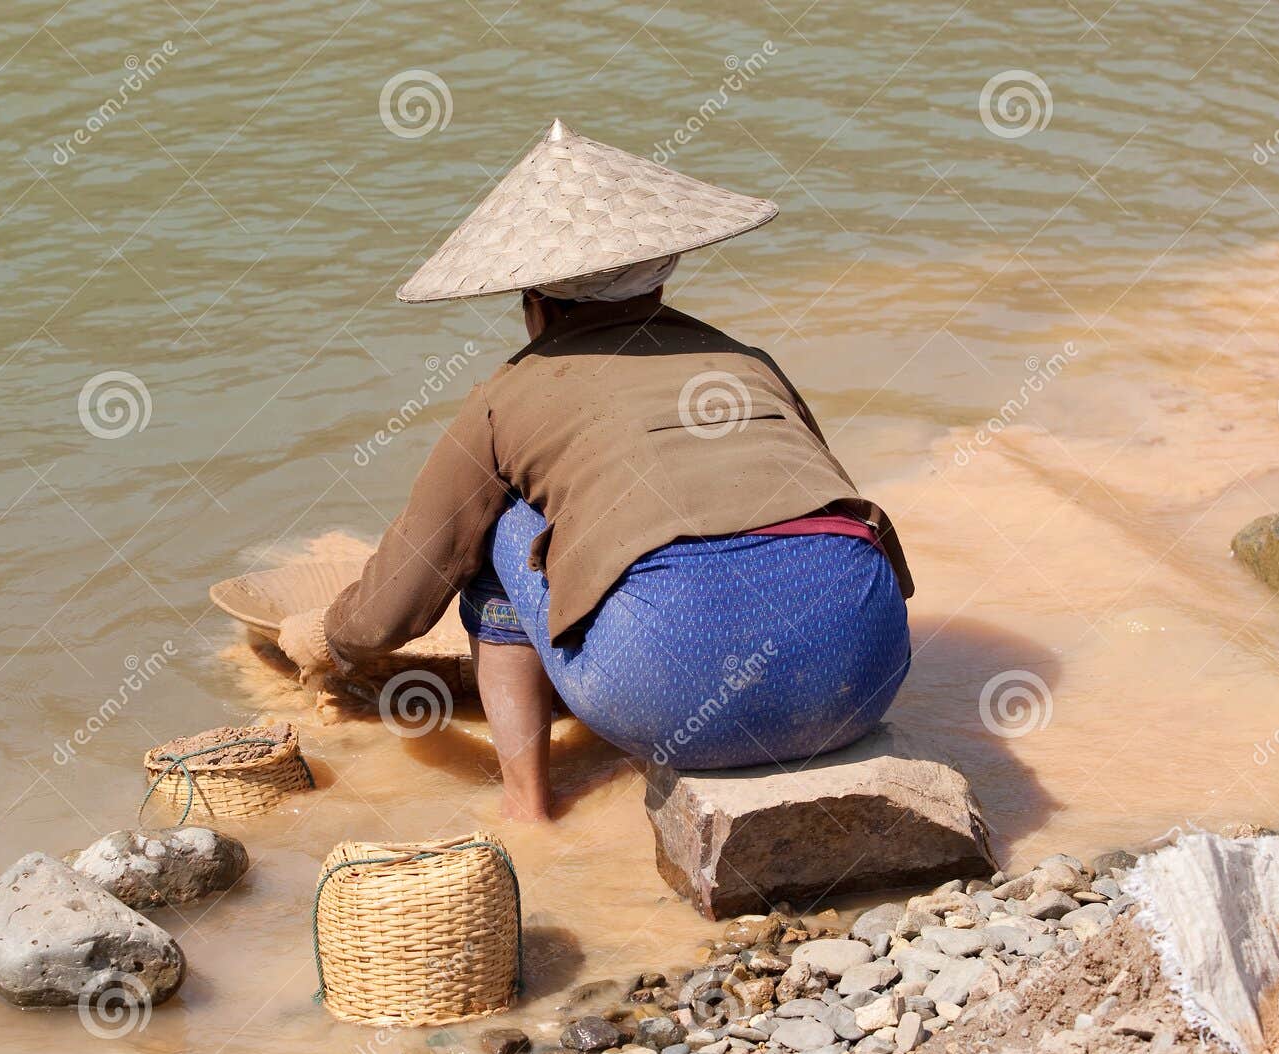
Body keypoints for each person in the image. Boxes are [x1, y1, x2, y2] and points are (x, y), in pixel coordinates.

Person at [280, 120, 913, 821]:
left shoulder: (505, 397)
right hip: (863, 675)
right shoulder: (747, 364)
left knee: (498, 524)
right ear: (659, 282)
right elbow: (825, 499)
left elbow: (409, 584)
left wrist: (329, 638)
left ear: (538, 304)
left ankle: (528, 807)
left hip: (673, 702)